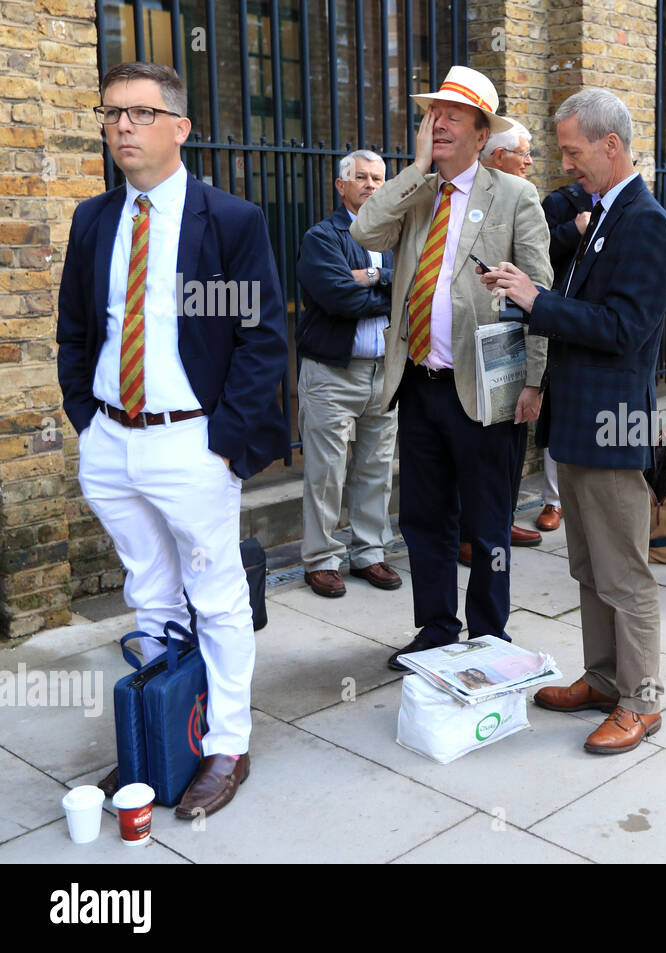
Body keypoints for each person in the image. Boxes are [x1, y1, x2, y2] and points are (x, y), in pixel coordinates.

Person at [57, 61, 289, 819]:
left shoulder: (228, 220)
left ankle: (227, 743)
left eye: (141, 113)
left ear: (179, 128)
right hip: (111, 441)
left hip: (190, 442)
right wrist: (84, 415)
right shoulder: (94, 220)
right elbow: (74, 330)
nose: (122, 125)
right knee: (147, 589)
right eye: (113, 112)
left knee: (216, 594)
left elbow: (262, 339)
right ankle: (166, 728)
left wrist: (221, 440)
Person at [481, 89, 666, 755]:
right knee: (590, 568)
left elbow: (627, 328)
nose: (565, 164)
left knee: (623, 571)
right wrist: (528, 290)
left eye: (571, 151)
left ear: (610, 146)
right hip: (583, 422)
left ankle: (641, 700)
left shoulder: (644, 220)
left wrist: (540, 301)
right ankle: (601, 677)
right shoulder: (605, 214)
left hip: (614, 425)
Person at [349, 66, 553, 671]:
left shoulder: (515, 197)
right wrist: (416, 171)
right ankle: (437, 627)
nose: (437, 123)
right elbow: (365, 229)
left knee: (489, 524)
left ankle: (489, 636)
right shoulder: (418, 195)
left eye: (452, 115)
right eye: (432, 114)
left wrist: (537, 381)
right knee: (423, 518)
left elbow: (539, 292)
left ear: (482, 131)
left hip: (487, 391)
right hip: (419, 384)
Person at [296, 150, 402, 599]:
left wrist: (371, 277)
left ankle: (369, 553)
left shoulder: (400, 233)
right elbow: (338, 298)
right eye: (361, 177)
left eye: (379, 178)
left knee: (377, 468)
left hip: (386, 371)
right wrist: (389, 287)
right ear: (341, 186)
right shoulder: (322, 237)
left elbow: (418, 288)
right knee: (326, 471)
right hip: (332, 375)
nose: (372, 185)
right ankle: (321, 559)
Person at [468, 116, 544, 558]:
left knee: (502, 448)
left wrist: (537, 375)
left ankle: (497, 523)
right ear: (498, 156)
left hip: (503, 346)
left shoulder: (523, 197)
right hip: (456, 351)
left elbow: (538, 283)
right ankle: (475, 531)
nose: (531, 161)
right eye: (523, 153)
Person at [535, 179, 601, 532]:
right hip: (563, 314)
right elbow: (538, 253)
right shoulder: (561, 201)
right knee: (557, 406)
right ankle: (553, 499)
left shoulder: (630, 205)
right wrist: (572, 230)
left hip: (601, 318)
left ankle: (588, 499)